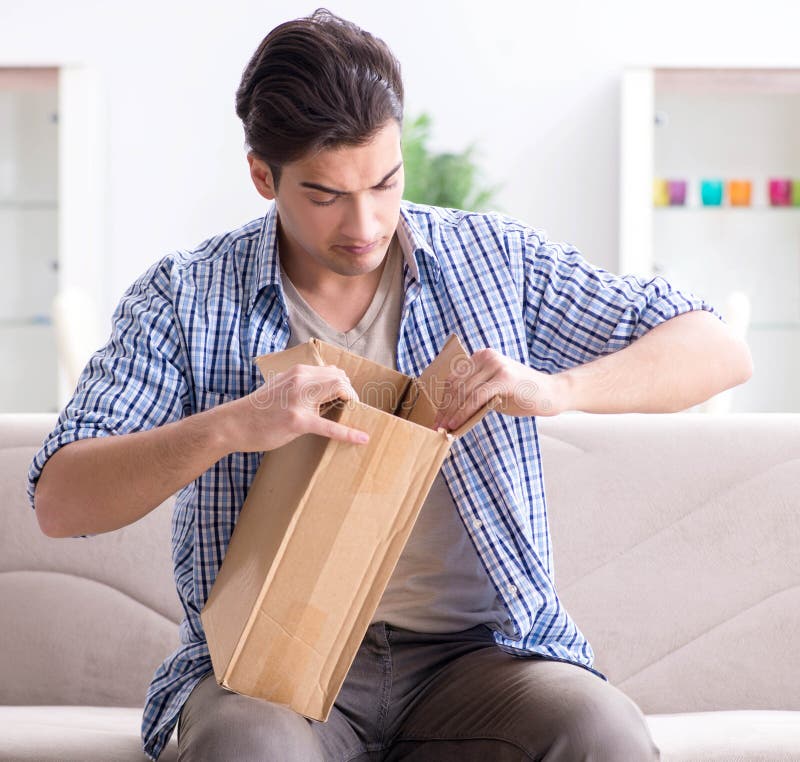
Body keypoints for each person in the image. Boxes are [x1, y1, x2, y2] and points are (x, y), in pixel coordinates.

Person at [28, 9, 752, 762]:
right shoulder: (185, 296)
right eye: (325, 195)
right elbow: (60, 500)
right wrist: (233, 425)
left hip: (478, 658)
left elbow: (716, 348)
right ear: (261, 176)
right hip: (269, 674)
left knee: (600, 731)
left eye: (385, 182)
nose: (366, 223)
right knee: (249, 749)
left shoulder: (491, 261)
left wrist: (560, 389)